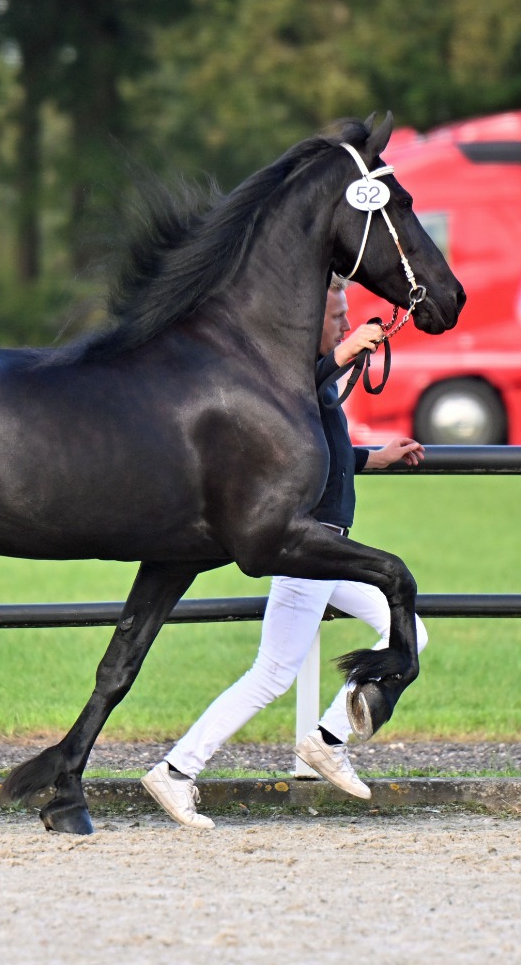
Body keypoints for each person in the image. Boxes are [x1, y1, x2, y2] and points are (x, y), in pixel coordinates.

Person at [141, 277, 428, 829]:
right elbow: (296, 405)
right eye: (338, 318)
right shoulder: (291, 378)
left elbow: (330, 453)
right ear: (308, 320)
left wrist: (377, 458)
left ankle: (326, 738)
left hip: (328, 548)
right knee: (272, 673)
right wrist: (344, 354)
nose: (347, 327)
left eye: (347, 319)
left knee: (410, 631)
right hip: (308, 545)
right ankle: (177, 770)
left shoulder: (315, 383)